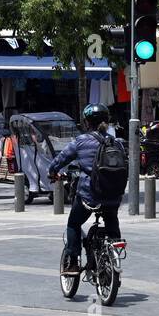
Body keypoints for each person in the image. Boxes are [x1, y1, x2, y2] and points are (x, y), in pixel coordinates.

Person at [48, 104, 124, 276]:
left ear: (87, 122)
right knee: (111, 216)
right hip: (114, 194)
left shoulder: (81, 141)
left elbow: (61, 159)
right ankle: (114, 246)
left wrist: (52, 172)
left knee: (74, 223)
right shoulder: (116, 143)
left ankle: (73, 263)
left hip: (90, 196)